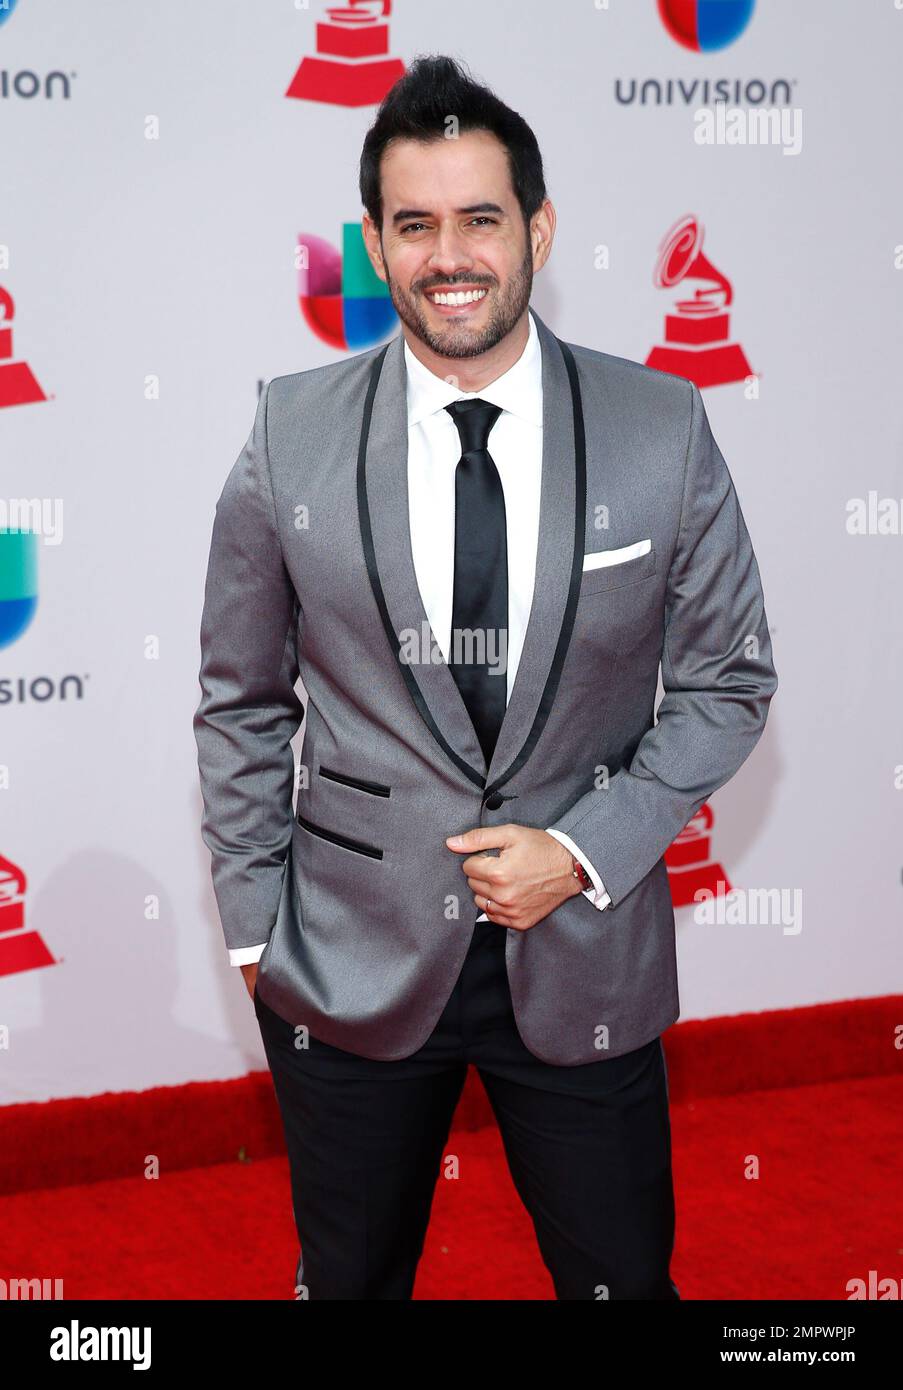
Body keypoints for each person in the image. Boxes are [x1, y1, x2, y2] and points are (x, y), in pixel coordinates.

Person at [193, 55, 777, 1301]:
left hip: (581, 948)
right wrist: (255, 931)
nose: (446, 254)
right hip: (344, 958)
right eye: (414, 224)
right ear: (374, 242)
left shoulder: (658, 426)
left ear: (537, 229)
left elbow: (727, 678)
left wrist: (579, 849)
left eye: (478, 218)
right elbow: (240, 699)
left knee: (621, 1280)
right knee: (347, 1283)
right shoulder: (284, 430)